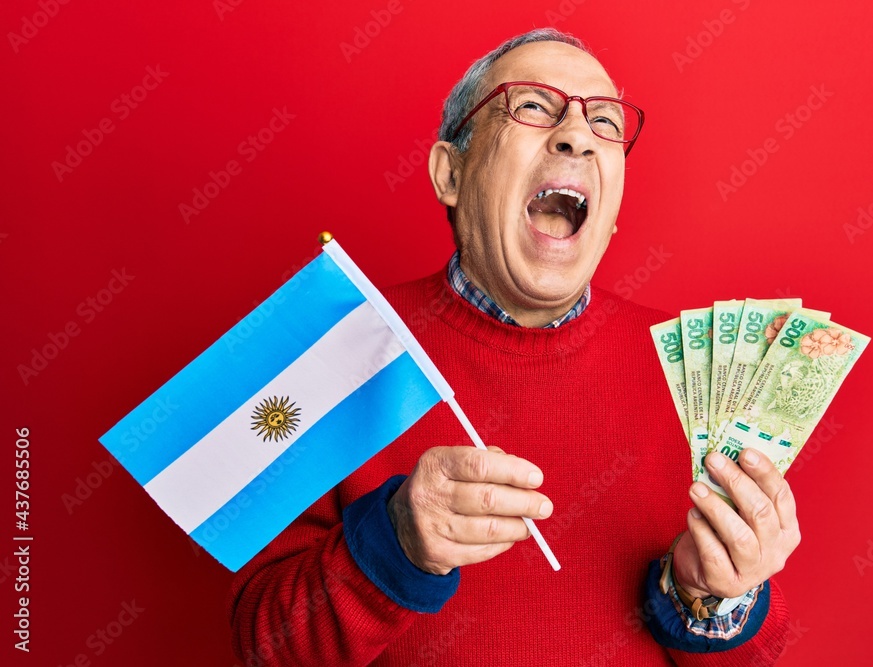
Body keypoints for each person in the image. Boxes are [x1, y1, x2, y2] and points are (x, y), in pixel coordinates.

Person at [228, 28, 800, 666]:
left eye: (604, 121)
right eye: (532, 106)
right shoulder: (341, 349)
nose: (578, 135)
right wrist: (396, 545)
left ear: (613, 210)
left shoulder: (696, 369)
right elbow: (267, 648)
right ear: (451, 172)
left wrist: (706, 598)